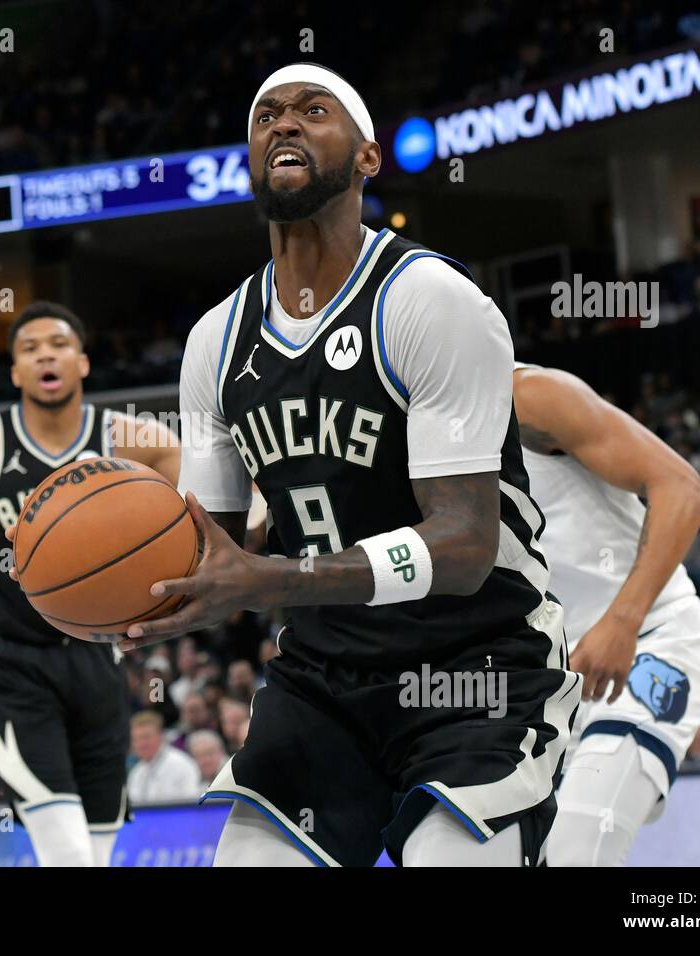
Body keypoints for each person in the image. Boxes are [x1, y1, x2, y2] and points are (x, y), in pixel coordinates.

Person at [121, 63, 579, 867]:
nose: (284, 124)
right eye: (266, 115)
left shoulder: (429, 299)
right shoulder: (215, 342)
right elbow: (211, 552)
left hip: (477, 669)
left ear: (368, 158)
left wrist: (274, 581)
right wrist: (134, 598)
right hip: (325, 680)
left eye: (313, 110)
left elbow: (466, 549)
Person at [0, 300, 180, 867]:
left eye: (58, 344)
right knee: (68, 853)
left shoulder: (138, 441)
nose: (45, 353)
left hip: (99, 657)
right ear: (15, 373)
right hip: (9, 660)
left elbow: (207, 516)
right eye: (29, 348)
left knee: (95, 854)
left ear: (84, 363)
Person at [512, 364, 700, 866]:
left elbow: (681, 487)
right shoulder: (410, 438)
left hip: (647, 642)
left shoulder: (528, 396)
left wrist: (622, 622)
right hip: (551, 687)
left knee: (577, 851)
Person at [126, 711, 203, 803]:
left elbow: (190, 805)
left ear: (160, 736)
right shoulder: (136, 773)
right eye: (136, 739)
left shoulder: (181, 764)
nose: (141, 744)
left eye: (146, 737)